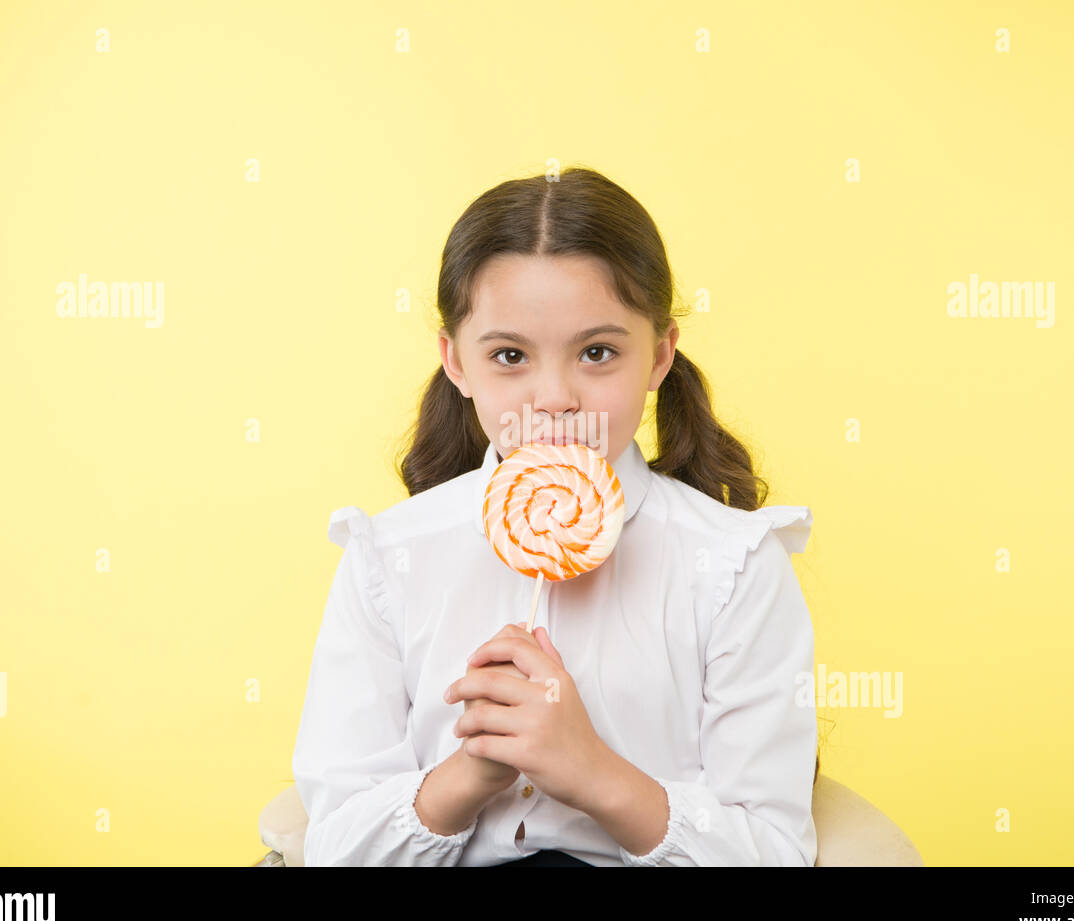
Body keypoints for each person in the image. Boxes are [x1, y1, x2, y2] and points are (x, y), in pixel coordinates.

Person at [292, 167, 820, 866]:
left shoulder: (734, 565)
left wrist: (591, 771)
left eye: (597, 353)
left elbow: (775, 850)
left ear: (660, 354)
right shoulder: (389, 558)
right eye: (509, 356)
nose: (554, 398)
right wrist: (471, 772)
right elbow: (335, 848)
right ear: (456, 362)